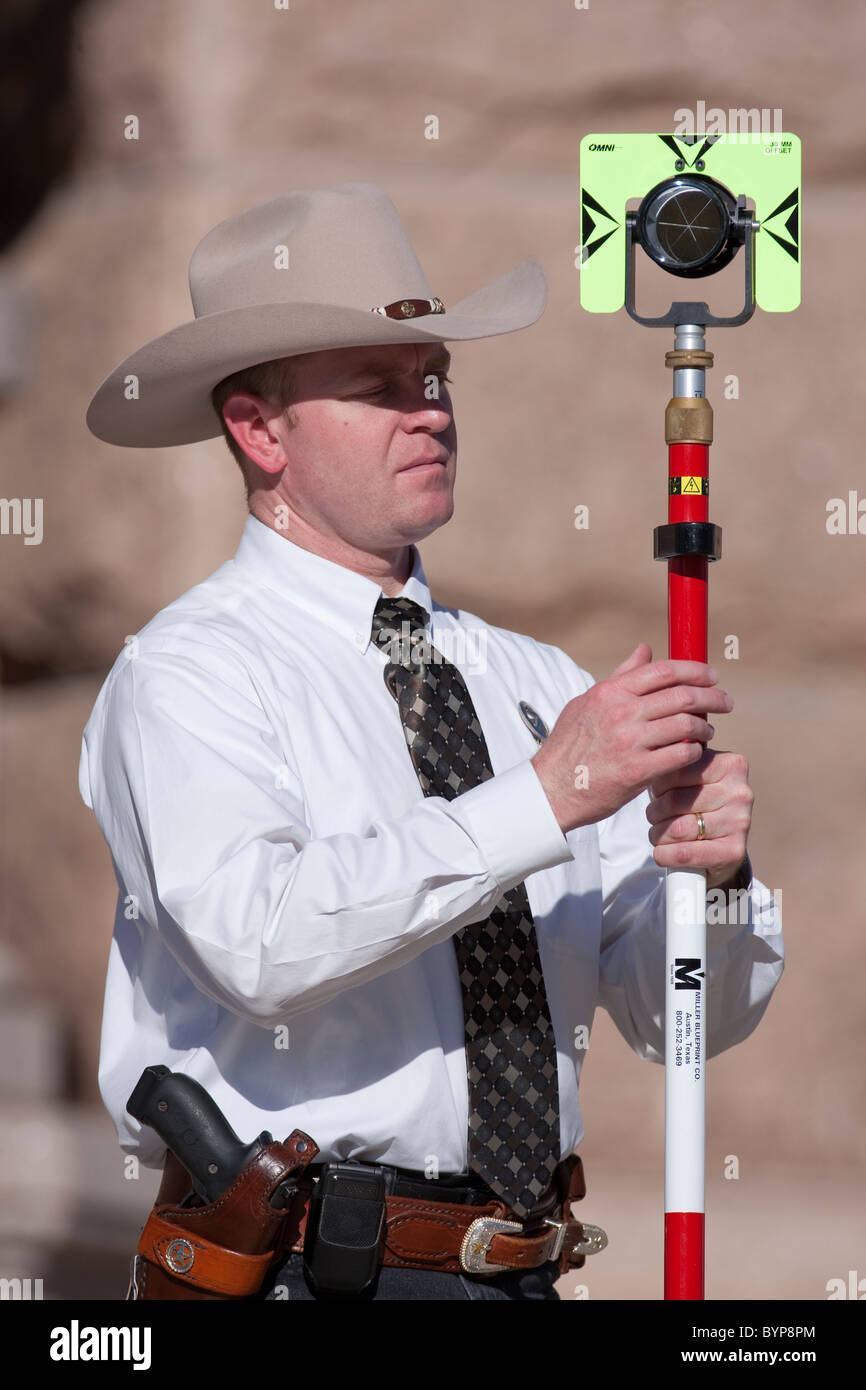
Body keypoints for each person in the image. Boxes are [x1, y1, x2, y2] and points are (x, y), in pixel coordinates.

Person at [81, 182, 784, 1301]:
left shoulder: (529, 678)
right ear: (258, 428)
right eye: (378, 388)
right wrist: (546, 796)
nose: (430, 412)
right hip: (306, 1271)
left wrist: (712, 878)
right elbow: (258, 944)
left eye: (434, 379)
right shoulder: (190, 670)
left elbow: (674, 1021)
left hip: (523, 1264)